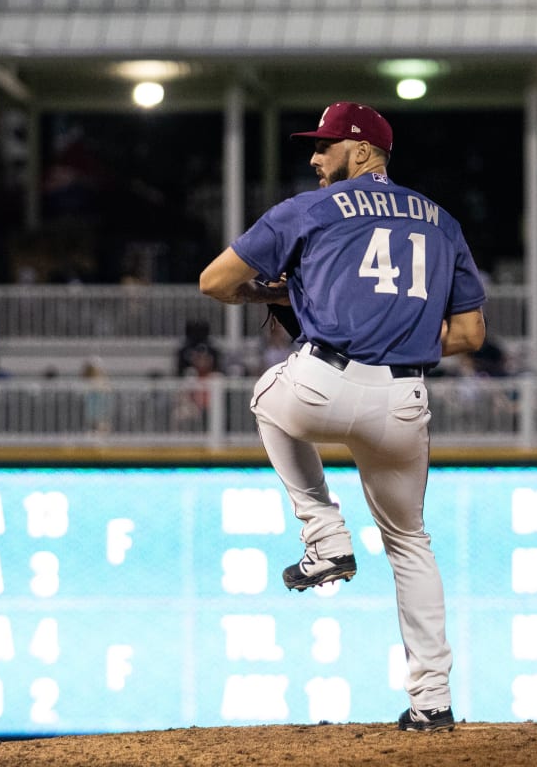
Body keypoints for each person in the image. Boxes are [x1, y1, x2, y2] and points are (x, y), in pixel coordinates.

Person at [200, 101, 486, 733]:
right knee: (410, 542)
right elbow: (469, 333)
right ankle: (432, 702)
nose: (314, 157)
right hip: (404, 400)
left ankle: (325, 536)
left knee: (266, 399)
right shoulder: (442, 222)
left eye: (325, 145)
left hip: (321, 381)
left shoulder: (306, 210)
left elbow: (214, 282)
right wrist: (403, 338)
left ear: (362, 151)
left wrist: (276, 289)